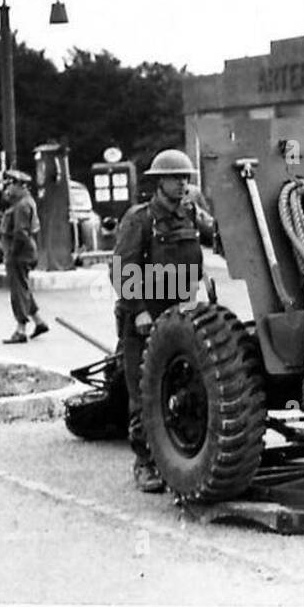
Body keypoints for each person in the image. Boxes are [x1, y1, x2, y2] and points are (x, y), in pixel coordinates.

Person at [112, 149, 215, 492]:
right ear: (159, 183)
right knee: (143, 388)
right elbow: (124, 271)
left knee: (186, 384)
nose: (183, 184)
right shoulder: (139, 219)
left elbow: (214, 239)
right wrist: (138, 309)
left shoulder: (190, 215)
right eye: (175, 178)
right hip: (145, 316)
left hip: (183, 313)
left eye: (186, 178)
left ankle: (178, 450)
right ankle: (144, 461)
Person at [0, 170, 49, 344]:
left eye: (10, 185)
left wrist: (11, 253)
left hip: (19, 254)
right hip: (23, 252)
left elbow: (20, 233)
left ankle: (20, 329)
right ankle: (39, 321)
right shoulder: (22, 202)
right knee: (23, 287)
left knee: (17, 291)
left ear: (20, 186)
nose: (7, 190)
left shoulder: (22, 205)